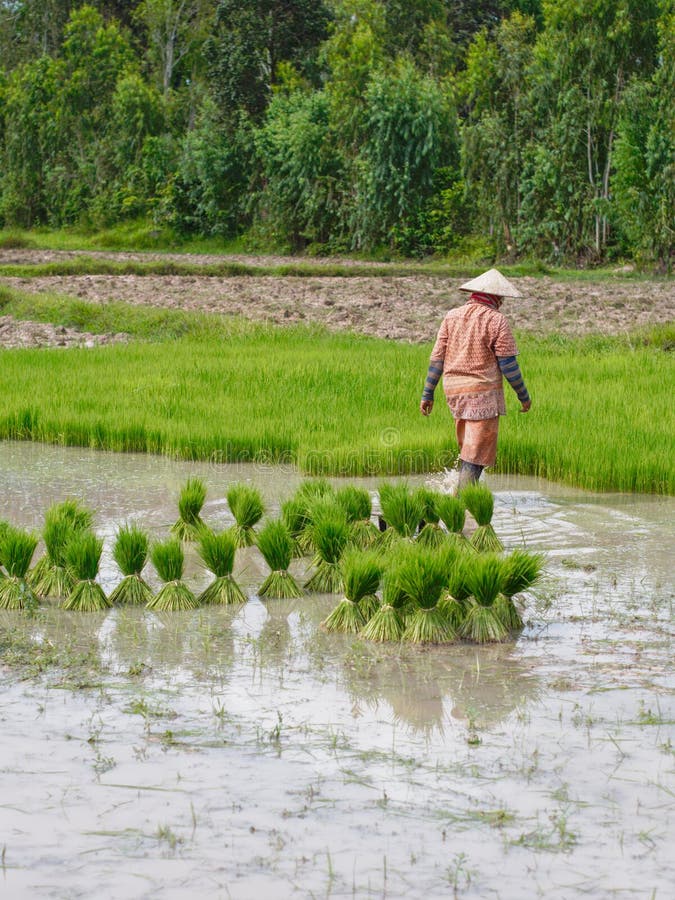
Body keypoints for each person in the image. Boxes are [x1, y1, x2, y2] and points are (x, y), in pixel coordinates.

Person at [419, 268, 531, 488]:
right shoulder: (497, 320)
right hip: (482, 393)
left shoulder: (451, 316)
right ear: (496, 297)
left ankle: (456, 494)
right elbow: (508, 365)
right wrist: (523, 396)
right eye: (501, 298)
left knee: (468, 446)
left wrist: (427, 393)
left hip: (454, 391)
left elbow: (437, 359)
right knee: (476, 452)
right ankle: (462, 500)